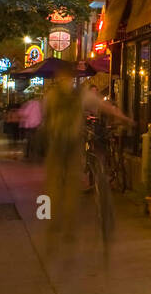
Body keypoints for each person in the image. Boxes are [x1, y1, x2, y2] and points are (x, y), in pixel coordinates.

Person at [40, 60, 130, 256]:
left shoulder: (50, 96)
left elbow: (45, 118)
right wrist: (124, 118)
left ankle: (53, 227)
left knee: (54, 189)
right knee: (72, 188)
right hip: (73, 145)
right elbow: (104, 107)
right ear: (72, 78)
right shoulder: (80, 95)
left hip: (55, 146)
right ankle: (70, 231)